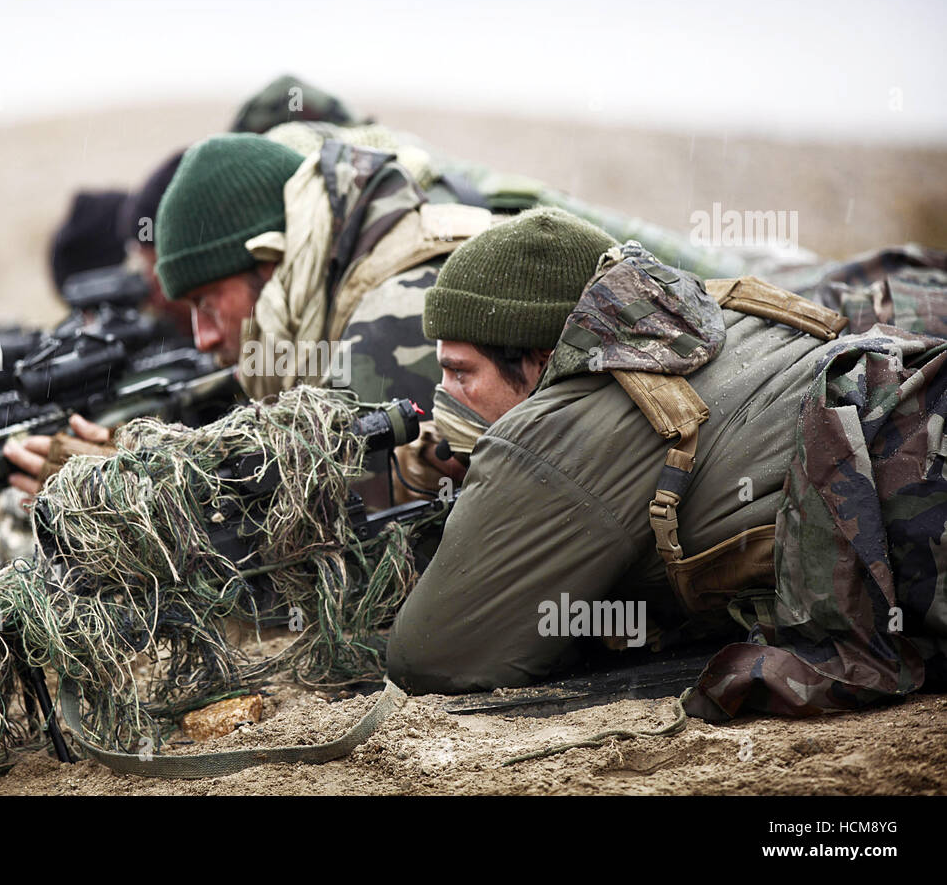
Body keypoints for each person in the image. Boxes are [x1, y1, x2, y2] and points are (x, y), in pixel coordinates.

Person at [385, 207, 947, 721]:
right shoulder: (707, 315)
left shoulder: (555, 433)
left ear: (541, 359)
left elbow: (433, 657)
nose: (444, 396)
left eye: (461, 373)